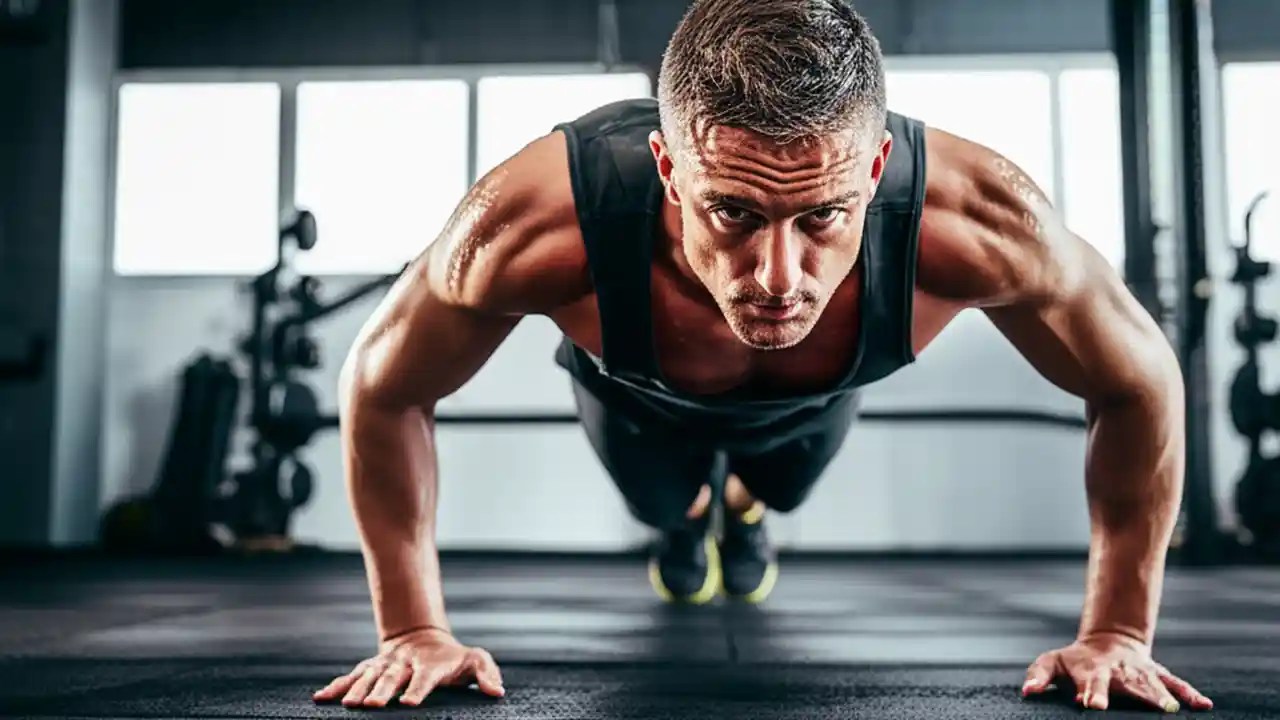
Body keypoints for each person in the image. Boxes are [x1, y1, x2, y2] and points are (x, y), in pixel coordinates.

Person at [313, 0, 1214, 713]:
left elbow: (1137, 380)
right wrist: (414, 628)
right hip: (635, 400)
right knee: (663, 503)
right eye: (735, 212)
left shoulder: (982, 224)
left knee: (780, 486)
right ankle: (702, 505)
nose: (779, 277)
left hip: (815, 403)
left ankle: (741, 504)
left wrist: (1120, 633)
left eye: (821, 215)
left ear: (872, 171)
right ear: (670, 170)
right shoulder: (536, 223)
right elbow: (384, 384)